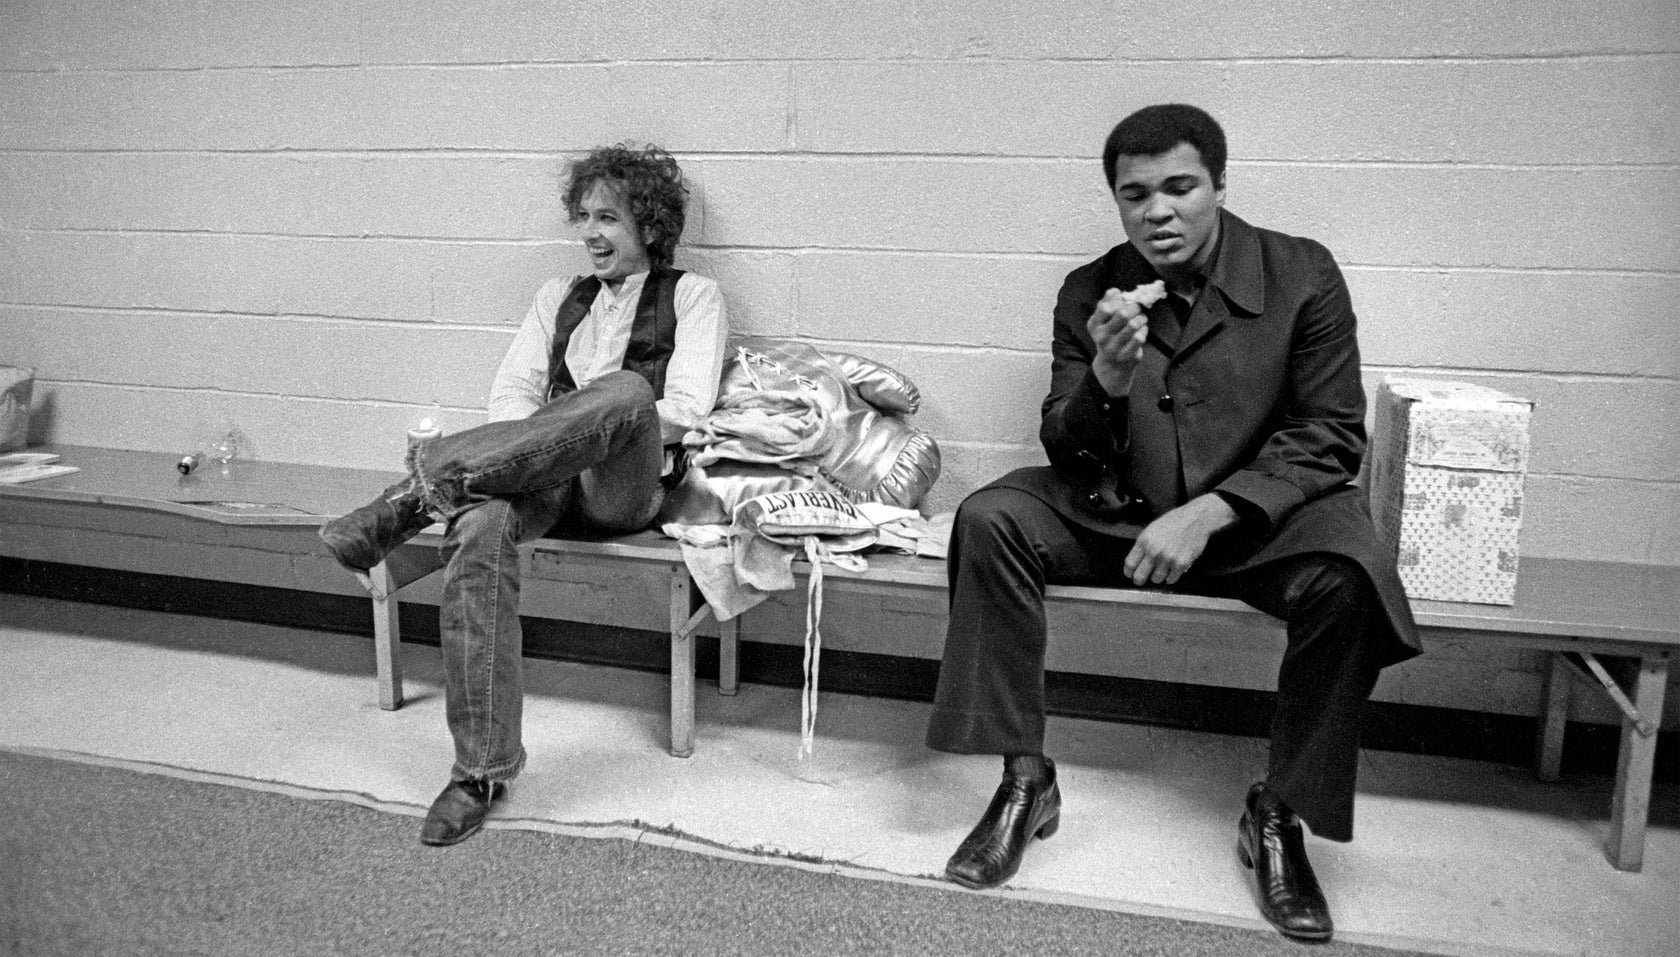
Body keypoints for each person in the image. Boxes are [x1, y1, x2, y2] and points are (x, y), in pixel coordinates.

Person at [925, 104, 1420, 941]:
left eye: (1180, 187)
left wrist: (1214, 509)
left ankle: (1278, 811)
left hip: (1256, 524)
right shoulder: (1091, 289)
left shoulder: (1303, 273)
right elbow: (1068, 448)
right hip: (1125, 515)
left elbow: (1331, 433)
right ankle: (1024, 777)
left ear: (1220, 185)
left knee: (1350, 575)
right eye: (1135, 194)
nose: (1159, 211)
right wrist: (1106, 383)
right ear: (1117, 202)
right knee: (988, 518)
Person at [319, 143, 727, 847]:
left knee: (629, 392)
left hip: (626, 486)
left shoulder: (692, 295)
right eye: (586, 217)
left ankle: (414, 494)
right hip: (541, 473)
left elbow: (684, 407)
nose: (593, 233)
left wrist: (582, 427)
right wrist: (549, 443)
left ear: (652, 228)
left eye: (612, 218)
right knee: (479, 525)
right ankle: (479, 771)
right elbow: (507, 398)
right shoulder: (555, 298)